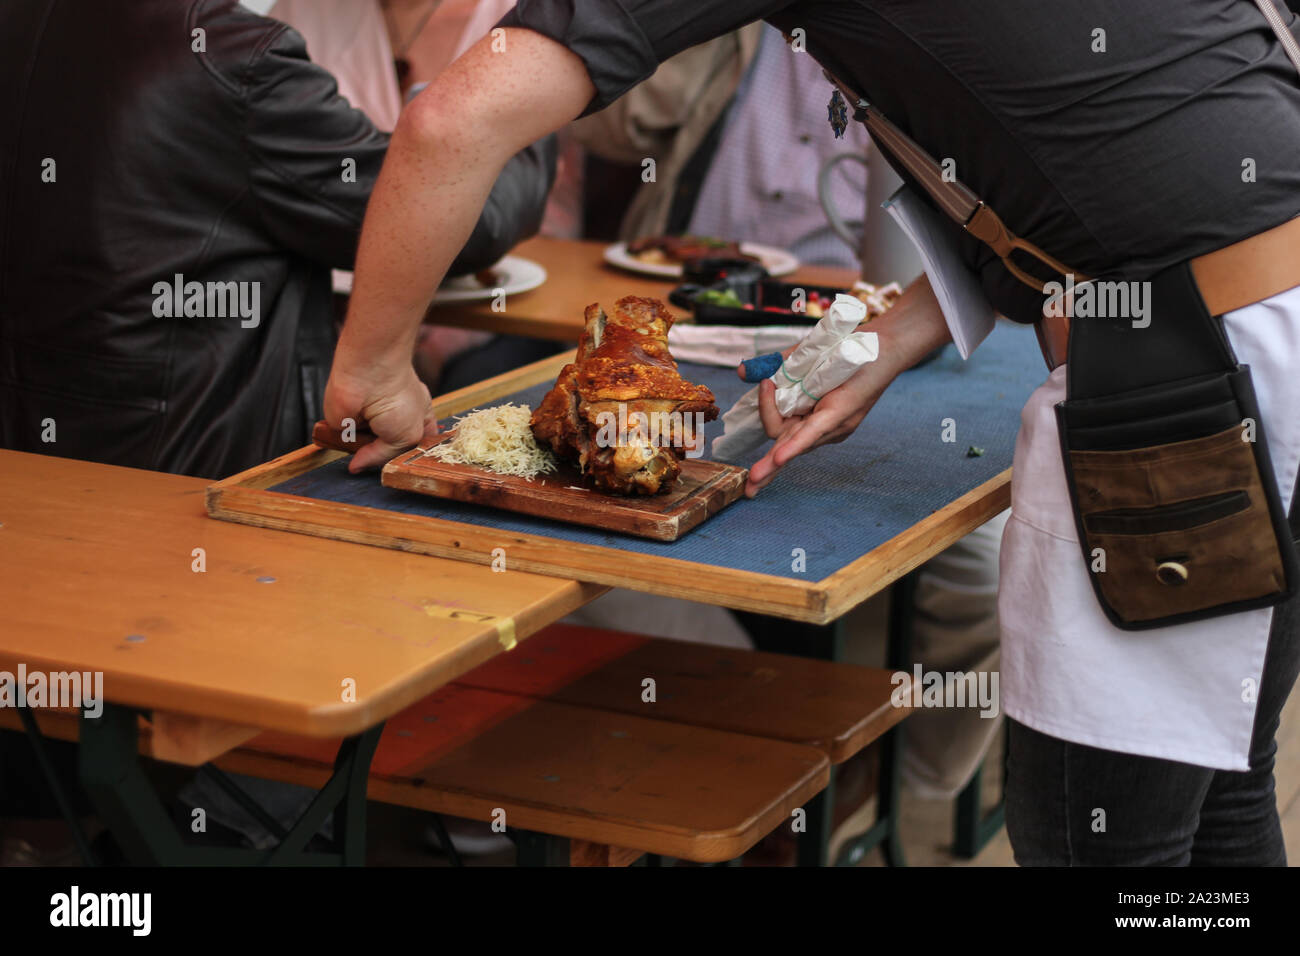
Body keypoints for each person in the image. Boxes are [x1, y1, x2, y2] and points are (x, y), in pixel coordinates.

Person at [322, 2, 1300, 866]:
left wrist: (371, 369)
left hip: (1189, 374)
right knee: (1221, 791)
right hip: (1250, 331)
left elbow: (449, 119)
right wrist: (897, 333)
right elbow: (1114, 141)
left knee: (1096, 836)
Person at [0, 0, 553, 480]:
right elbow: (461, 221)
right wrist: (515, 121)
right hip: (194, 465)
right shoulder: (232, 60)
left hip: (42, 452)